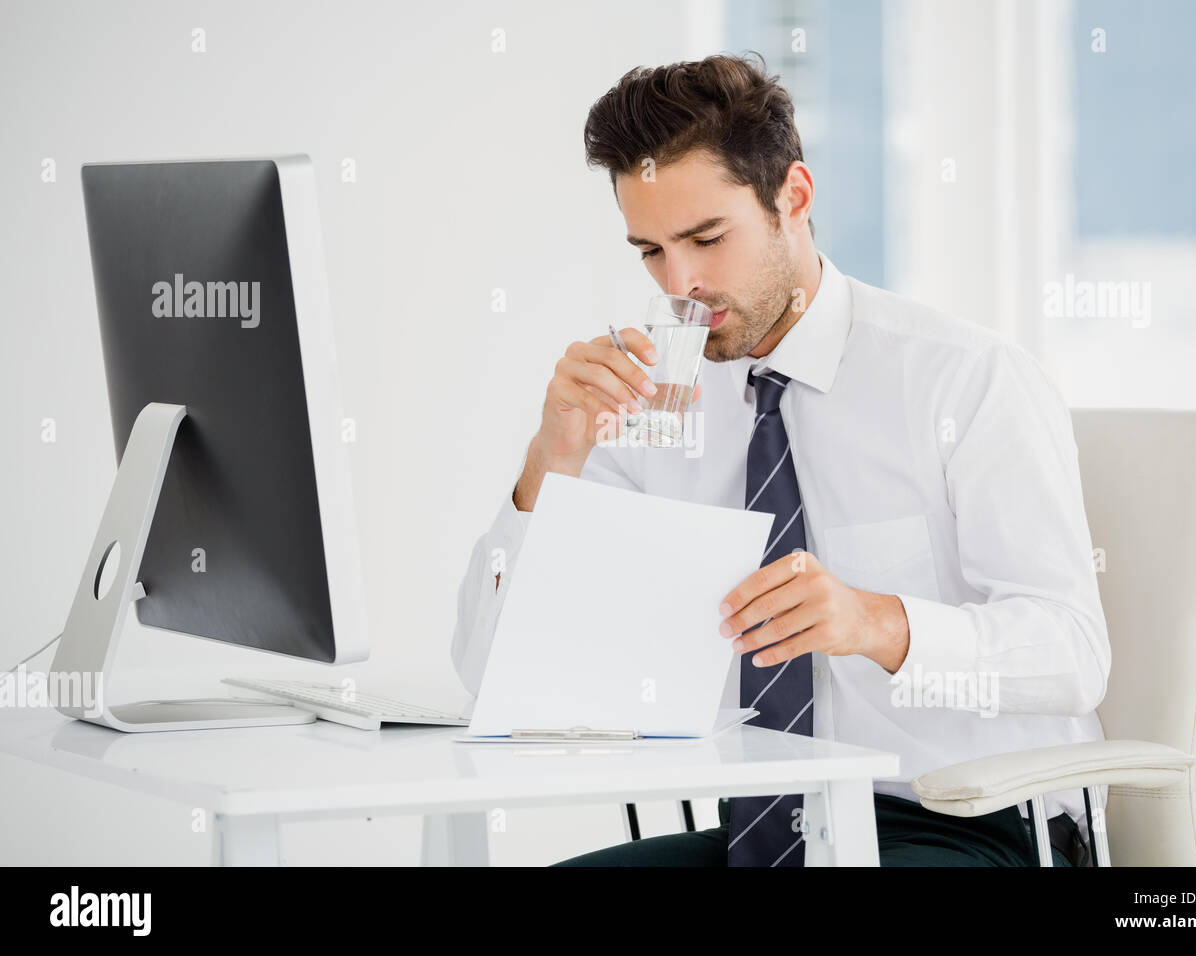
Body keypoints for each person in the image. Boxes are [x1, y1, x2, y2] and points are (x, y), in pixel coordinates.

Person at [452, 52, 1105, 867]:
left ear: (793, 197)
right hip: (762, 829)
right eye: (650, 250)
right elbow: (488, 671)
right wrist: (549, 462)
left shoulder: (964, 380)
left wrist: (875, 623)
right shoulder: (660, 404)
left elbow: (1074, 654)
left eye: (706, 238)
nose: (681, 283)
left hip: (967, 823)